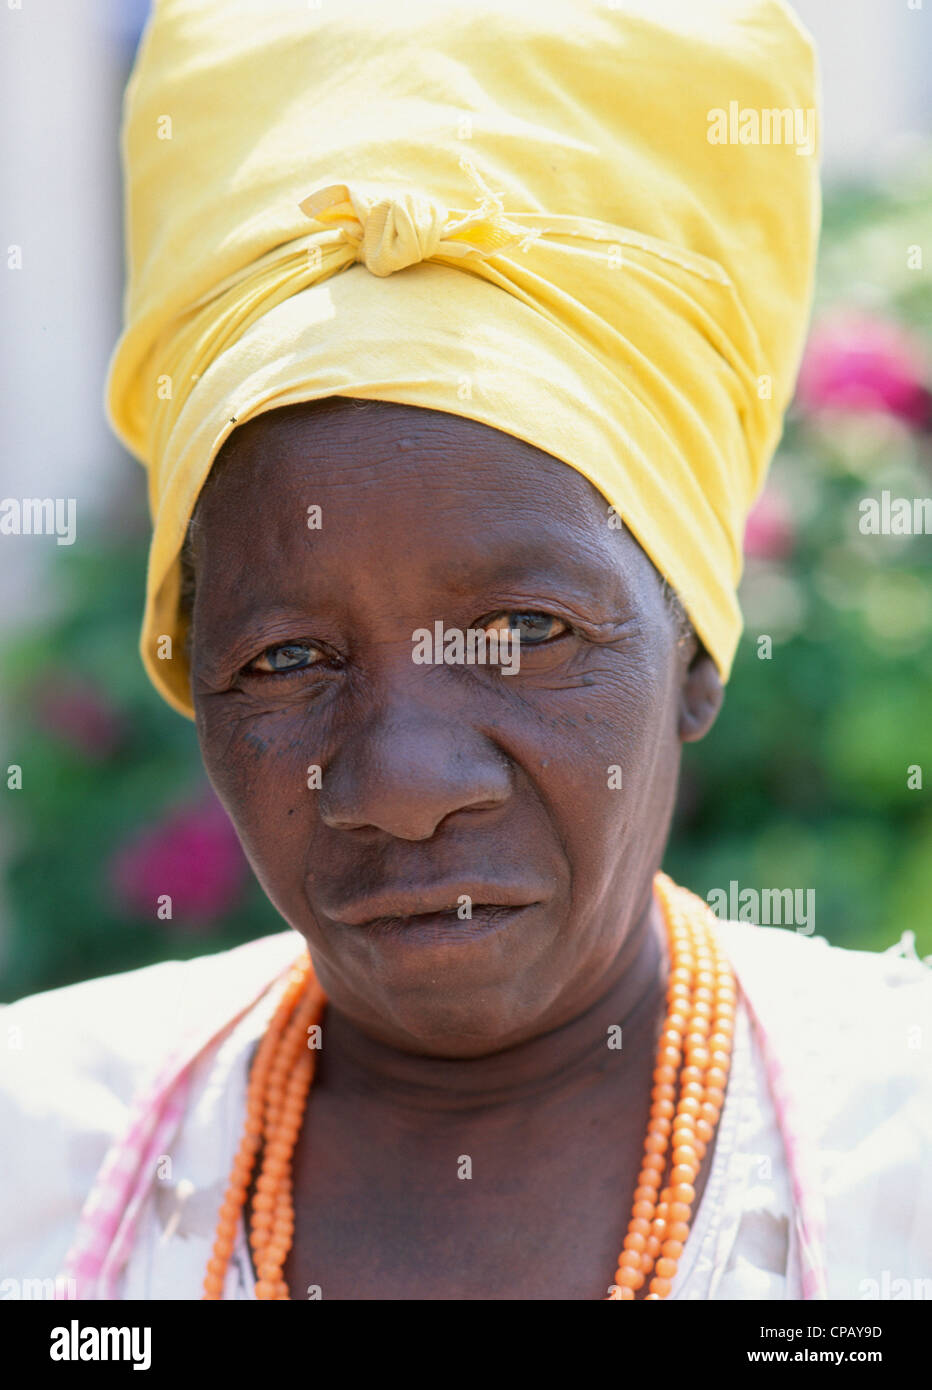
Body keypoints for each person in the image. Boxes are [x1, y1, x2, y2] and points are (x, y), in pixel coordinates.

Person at [2, 0, 930, 1302]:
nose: (400, 778)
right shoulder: (31, 1158)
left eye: (525, 633)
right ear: (184, 668)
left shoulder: (899, 1160)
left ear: (695, 646)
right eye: (285, 659)